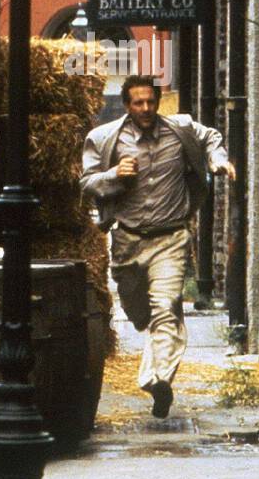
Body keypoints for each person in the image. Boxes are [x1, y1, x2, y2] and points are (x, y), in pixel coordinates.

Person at [80, 74, 235, 418]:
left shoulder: (180, 129)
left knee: (165, 307)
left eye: (151, 101)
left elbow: (211, 136)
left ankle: (159, 379)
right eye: (138, 103)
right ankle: (156, 363)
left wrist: (217, 160)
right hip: (128, 240)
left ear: (158, 101)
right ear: (127, 105)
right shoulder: (105, 138)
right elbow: (87, 183)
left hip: (170, 238)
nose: (146, 108)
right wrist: (114, 175)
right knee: (140, 313)